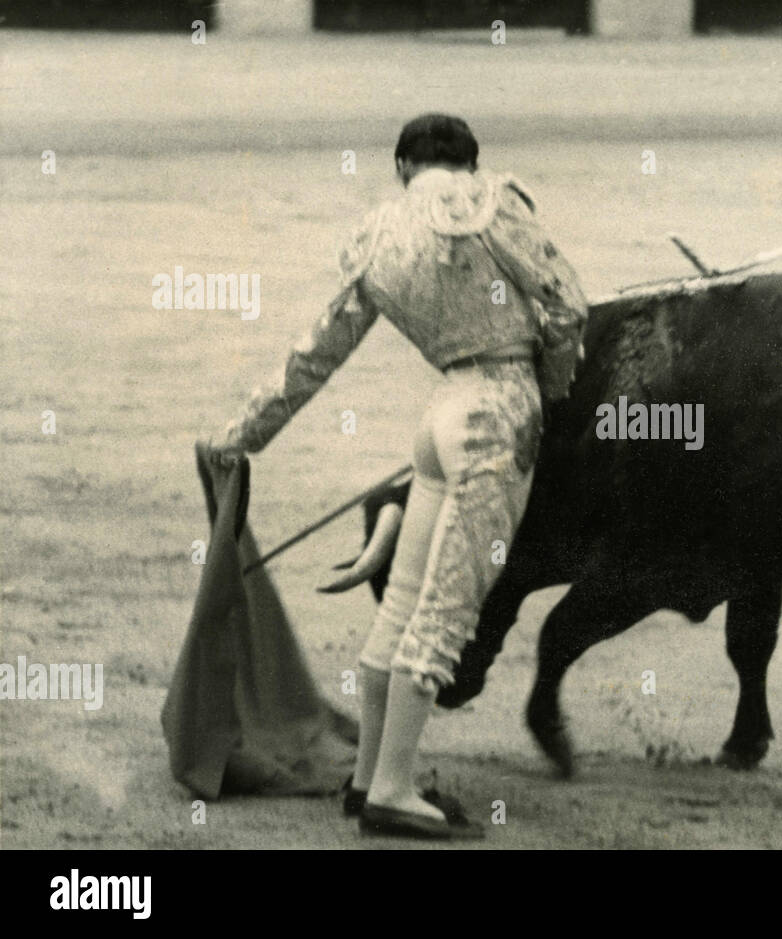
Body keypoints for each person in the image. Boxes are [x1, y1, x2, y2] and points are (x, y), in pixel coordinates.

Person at [201, 113, 588, 839]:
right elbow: (569, 304)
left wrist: (239, 437)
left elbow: (312, 357)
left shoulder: (378, 233)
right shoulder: (495, 201)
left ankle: (368, 777)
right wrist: (554, 387)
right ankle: (395, 790)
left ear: (402, 167)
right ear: (471, 164)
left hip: (436, 421)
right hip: (497, 414)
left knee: (402, 603)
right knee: (446, 612)